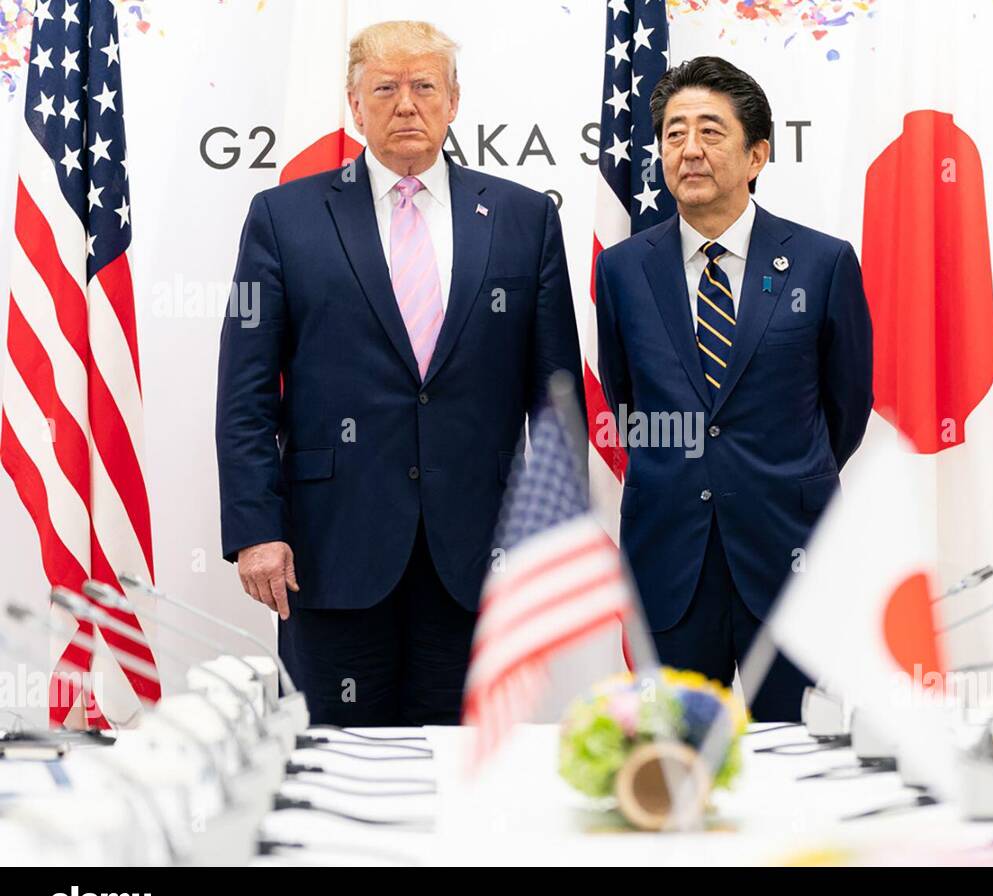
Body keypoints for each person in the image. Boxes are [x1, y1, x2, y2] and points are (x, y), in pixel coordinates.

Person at [215, 20, 582, 726]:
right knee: (329, 766)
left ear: (453, 101)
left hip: (483, 556)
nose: (405, 104)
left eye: (423, 86)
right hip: (329, 552)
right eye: (384, 88)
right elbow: (246, 394)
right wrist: (257, 527)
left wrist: (553, 539)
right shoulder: (283, 217)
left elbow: (555, 398)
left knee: (466, 772)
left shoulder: (523, 218)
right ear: (355, 105)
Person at [595, 56, 872, 721]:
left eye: (711, 132)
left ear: (757, 154)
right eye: (674, 132)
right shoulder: (624, 269)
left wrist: (780, 466)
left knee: (800, 759)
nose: (689, 149)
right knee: (677, 764)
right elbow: (625, 396)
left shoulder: (822, 262)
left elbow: (846, 406)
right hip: (670, 557)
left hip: (790, 555)